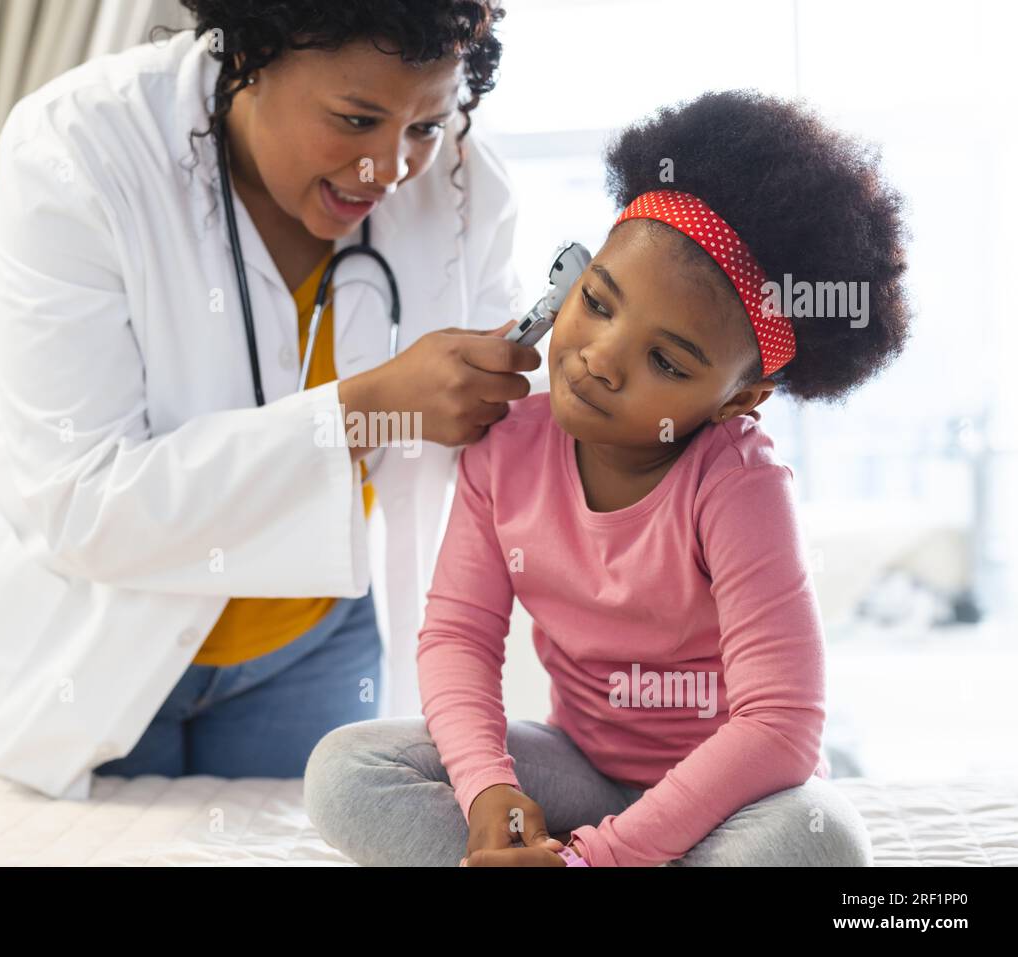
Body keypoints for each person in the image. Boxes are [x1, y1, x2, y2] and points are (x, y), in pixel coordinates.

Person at [0, 1, 540, 799]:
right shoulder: (77, 149)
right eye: (356, 118)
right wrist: (367, 409)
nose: (390, 169)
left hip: (310, 644)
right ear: (252, 56)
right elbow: (81, 499)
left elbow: (504, 444)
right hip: (85, 644)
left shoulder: (467, 190)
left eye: (426, 127)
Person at [304, 89, 912, 866]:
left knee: (820, 843)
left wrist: (597, 856)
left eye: (666, 360)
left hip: (732, 803)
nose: (598, 356)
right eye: (596, 302)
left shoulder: (738, 484)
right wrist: (491, 794)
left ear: (740, 398)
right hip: (582, 771)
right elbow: (458, 634)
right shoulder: (506, 446)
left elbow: (782, 724)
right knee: (347, 771)